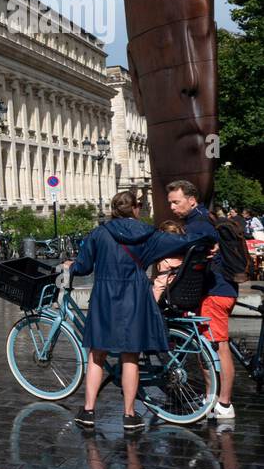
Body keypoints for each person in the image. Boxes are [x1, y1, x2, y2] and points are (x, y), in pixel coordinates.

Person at [70, 190, 213, 432]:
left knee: (97, 354)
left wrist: (70, 266)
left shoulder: (99, 233)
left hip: (105, 297)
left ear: (113, 209)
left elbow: (83, 267)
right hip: (135, 296)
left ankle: (89, 411)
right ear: (136, 208)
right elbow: (184, 241)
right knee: (130, 356)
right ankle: (129, 415)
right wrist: (208, 239)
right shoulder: (149, 235)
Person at [167, 179, 240, 420]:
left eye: (176, 202)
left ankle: (225, 404)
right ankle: (212, 397)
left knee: (218, 348)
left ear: (191, 200)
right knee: (210, 347)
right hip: (219, 290)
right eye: (170, 203)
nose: (172, 208)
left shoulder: (197, 225)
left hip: (215, 292)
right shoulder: (203, 218)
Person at [150, 220, 186, 302]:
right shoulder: (187, 256)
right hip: (187, 295)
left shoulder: (165, 261)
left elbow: (160, 285)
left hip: (171, 298)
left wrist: (153, 305)